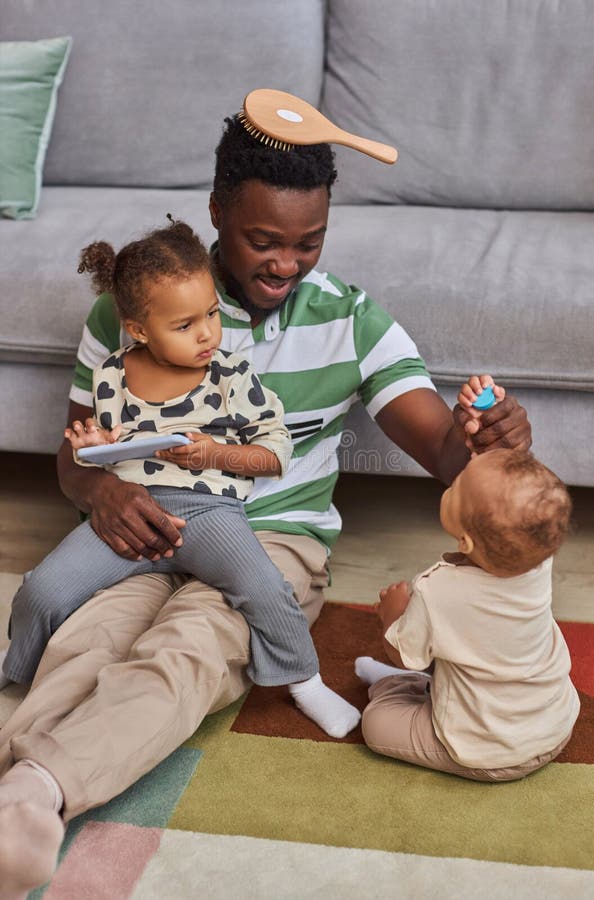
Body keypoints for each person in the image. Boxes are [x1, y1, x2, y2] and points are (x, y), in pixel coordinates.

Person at [0, 112, 532, 897]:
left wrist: (489, 437)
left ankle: (34, 793)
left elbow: (445, 456)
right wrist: (101, 489)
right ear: (216, 211)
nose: (287, 262)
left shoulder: (352, 319)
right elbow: (74, 453)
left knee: (191, 646)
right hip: (144, 522)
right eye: (264, 241)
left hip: (273, 538)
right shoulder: (133, 306)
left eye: (308, 241)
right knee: (83, 638)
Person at [0, 219, 360, 739]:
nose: (208, 333)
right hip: (133, 517)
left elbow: (277, 452)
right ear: (139, 329)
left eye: (211, 313)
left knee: (264, 588)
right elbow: (106, 455)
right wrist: (93, 447)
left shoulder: (231, 376)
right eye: (186, 324)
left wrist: (216, 454)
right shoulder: (112, 376)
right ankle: (18, 665)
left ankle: (304, 681)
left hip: (209, 513)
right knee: (43, 589)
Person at [356, 443, 580, 781]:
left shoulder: (438, 590)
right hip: (555, 726)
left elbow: (402, 654)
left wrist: (392, 614)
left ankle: (399, 687)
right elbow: (506, 492)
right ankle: (424, 689)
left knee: (375, 724)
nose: (452, 483)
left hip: (487, 753)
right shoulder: (537, 558)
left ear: (466, 543)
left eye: (458, 486)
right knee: (457, 654)